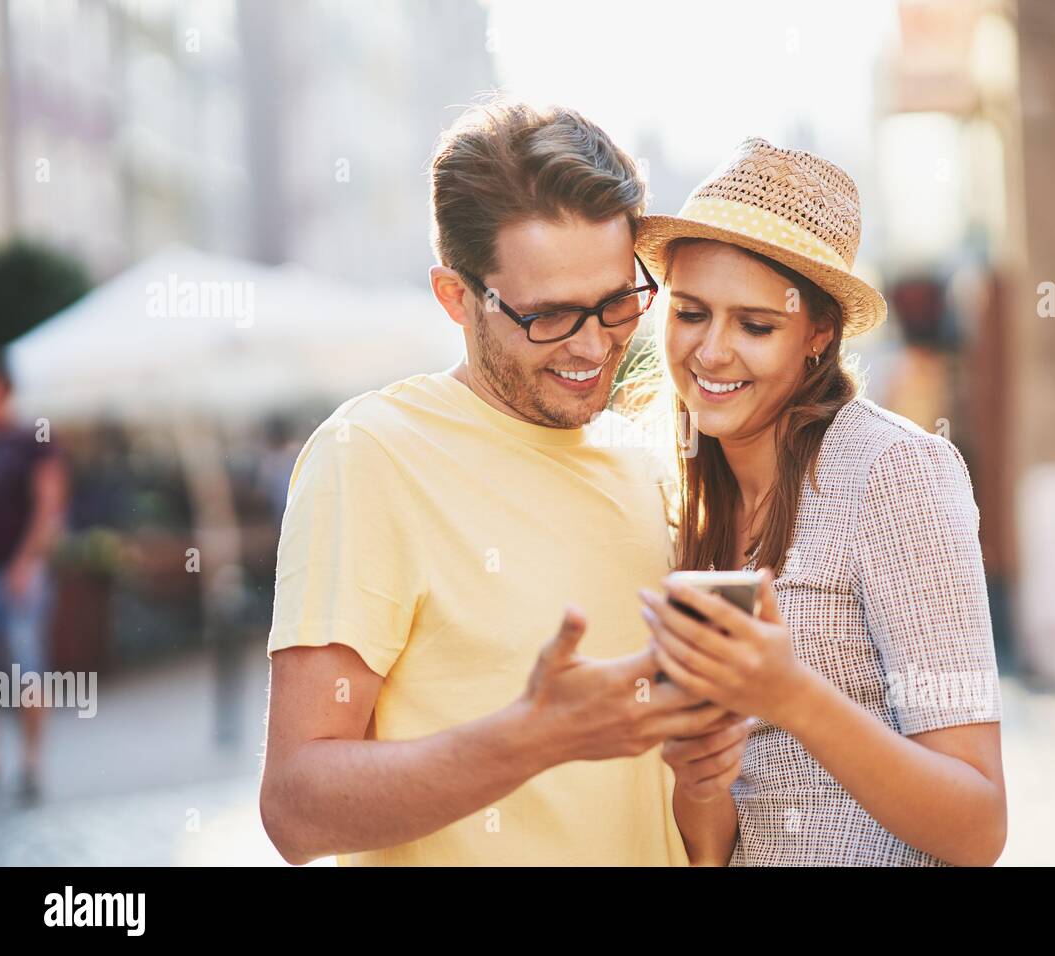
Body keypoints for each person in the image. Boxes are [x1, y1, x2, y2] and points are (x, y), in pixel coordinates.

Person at [259, 100, 746, 866]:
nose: (594, 345)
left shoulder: (643, 459)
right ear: (455, 298)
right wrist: (531, 740)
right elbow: (297, 806)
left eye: (618, 301)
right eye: (549, 316)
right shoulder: (371, 456)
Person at [633, 138, 1007, 865]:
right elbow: (715, 846)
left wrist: (793, 696)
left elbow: (978, 825)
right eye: (690, 313)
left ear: (819, 335)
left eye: (756, 325)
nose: (711, 352)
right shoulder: (680, 490)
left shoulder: (894, 473)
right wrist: (700, 781)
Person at [0, 348, 68, 805]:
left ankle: (31, 764)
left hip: (20, 572)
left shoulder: (31, 439)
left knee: (26, 670)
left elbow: (49, 506)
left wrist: (25, 562)